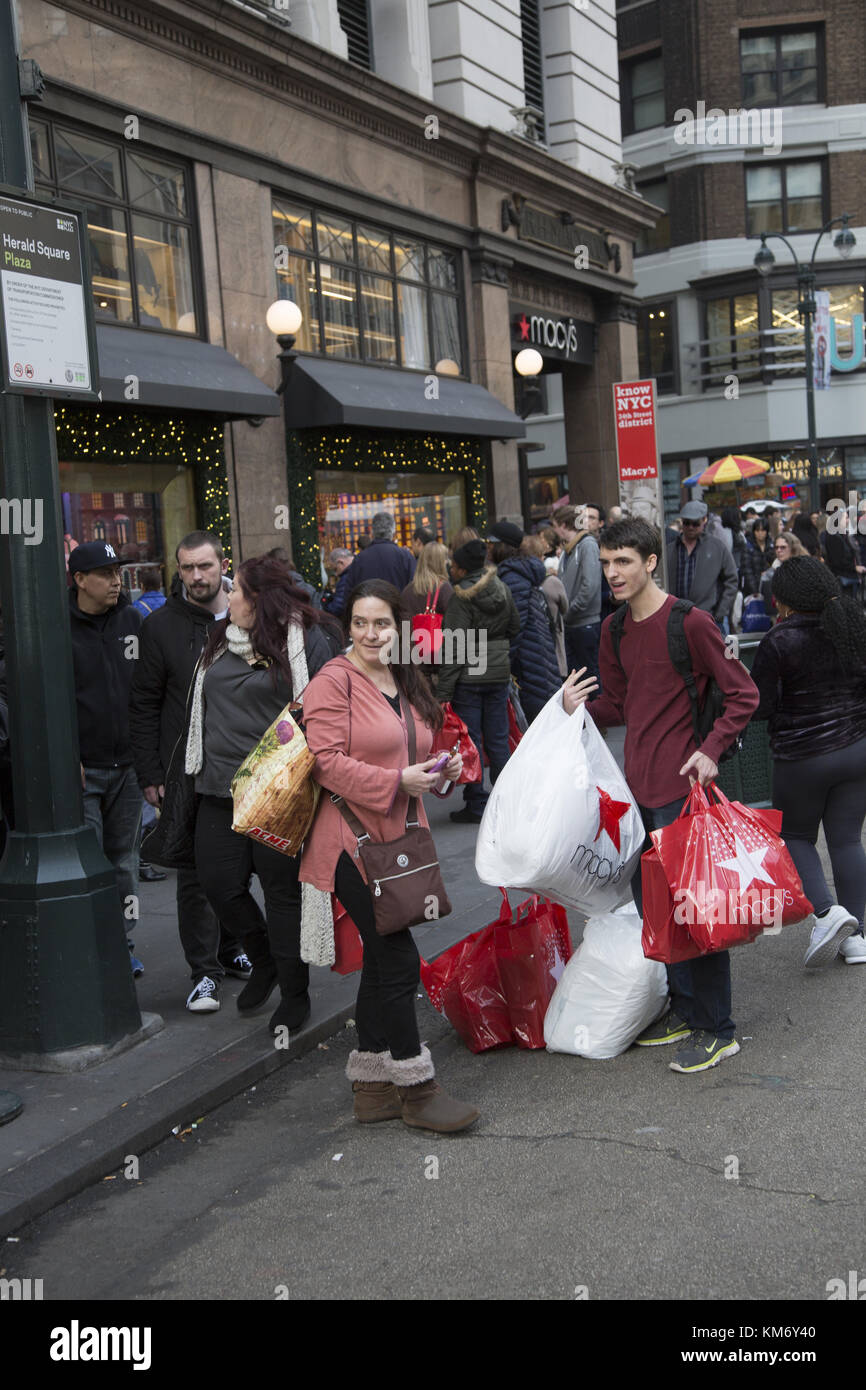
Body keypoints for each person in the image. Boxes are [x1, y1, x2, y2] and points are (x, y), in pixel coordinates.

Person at [562, 517, 759, 1073]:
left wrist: (713, 748)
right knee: (660, 911)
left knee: (699, 912)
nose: (612, 573)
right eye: (605, 563)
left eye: (623, 561)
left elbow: (744, 693)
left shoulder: (690, 623)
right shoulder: (612, 630)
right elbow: (619, 705)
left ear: (650, 562)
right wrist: (572, 710)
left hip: (685, 791)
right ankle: (684, 1008)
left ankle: (718, 1028)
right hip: (637, 792)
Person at [299, 579, 478, 1133]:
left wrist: (441, 771)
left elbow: (418, 749)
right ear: (346, 625)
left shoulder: (404, 674)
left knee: (381, 962)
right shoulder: (333, 682)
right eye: (359, 623)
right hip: (348, 843)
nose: (371, 634)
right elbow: (323, 761)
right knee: (398, 959)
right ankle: (416, 1087)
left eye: (381, 623)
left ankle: (372, 1089)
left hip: (400, 840)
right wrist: (396, 779)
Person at [185, 555, 341, 1023]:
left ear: (259, 601)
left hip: (280, 792)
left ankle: (295, 994)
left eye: (236, 591)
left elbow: (328, 707)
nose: (227, 596)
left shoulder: (305, 641)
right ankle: (265, 961)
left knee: (281, 896)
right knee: (217, 883)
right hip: (218, 789)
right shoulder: (217, 640)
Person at [131, 530, 255, 1009]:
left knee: (238, 868)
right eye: (188, 568)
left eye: (205, 566)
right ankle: (203, 971)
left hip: (245, 766)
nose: (197, 576)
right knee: (194, 872)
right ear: (177, 570)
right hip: (185, 770)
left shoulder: (246, 615)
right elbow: (142, 703)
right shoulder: (160, 626)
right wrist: (150, 773)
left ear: (222, 564)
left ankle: (233, 949)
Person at [750, 558, 866, 967]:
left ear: (783, 600)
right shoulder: (854, 626)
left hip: (802, 758)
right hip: (857, 750)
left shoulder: (778, 641)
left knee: (796, 836)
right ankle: (859, 939)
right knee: (847, 840)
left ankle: (828, 913)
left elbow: (761, 706)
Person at [68, 541, 144, 977]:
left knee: (123, 862)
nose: (116, 580)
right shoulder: (59, 627)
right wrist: (69, 755)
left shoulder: (131, 620)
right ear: (79, 580)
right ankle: (91, 949)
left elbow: (145, 690)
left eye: (118, 571)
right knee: (91, 862)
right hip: (85, 768)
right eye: (105, 573)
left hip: (129, 768)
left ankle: (122, 943)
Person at [435, 538, 519, 824]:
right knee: (497, 739)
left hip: (469, 677)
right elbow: (515, 627)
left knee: (471, 741)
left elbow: (454, 646)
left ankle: (477, 804)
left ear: (460, 569)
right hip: (497, 673)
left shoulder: (461, 597)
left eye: (453, 565)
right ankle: (508, 799)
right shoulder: (503, 588)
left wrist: (443, 691)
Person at [488, 521, 561, 720]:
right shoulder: (516, 573)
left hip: (530, 666)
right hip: (535, 661)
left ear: (502, 547)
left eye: (491, 544)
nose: (488, 549)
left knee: (540, 732)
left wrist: (499, 667)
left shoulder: (513, 577)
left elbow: (514, 628)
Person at [666, 500, 737, 629]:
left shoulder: (717, 547)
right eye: (687, 523)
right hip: (676, 619)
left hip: (708, 618)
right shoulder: (670, 549)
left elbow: (731, 580)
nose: (690, 527)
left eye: (695, 523)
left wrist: (720, 614)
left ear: (704, 520)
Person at [552, 503, 602, 686]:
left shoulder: (587, 545)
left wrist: (569, 611)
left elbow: (590, 586)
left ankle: (596, 714)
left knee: (589, 677)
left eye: (555, 526)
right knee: (577, 678)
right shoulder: (569, 549)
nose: (555, 531)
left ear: (564, 525)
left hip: (584, 623)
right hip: (572, 623)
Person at [328, 512, 414, 616]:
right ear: (393, 533)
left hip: (369, 621)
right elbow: (413, 593)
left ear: (372, 533)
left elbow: (349, 598)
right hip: (400, 620)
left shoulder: (360, 559)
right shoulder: (406, 557)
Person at [524, 533, 568, 677]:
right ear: (540, 556)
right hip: (552, 646)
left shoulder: (519, 581)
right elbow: (565, 608)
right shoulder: (553, 582)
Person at [400, 541, 453, 622]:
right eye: (445, 559)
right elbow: (452, 621)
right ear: (440, 563)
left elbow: (404, 627)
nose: (448, 562)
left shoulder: (407, 591)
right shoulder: (444, 588)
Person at [822, 507, 866, 596]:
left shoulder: (841, 535)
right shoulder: (834, 536)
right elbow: (837, 561)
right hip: (842, 578)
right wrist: (855, 567)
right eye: (845, 518)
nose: (848, 520)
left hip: (848, 576)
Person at [741, 516, 773, 594]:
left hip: (769, 586)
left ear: (767, 531)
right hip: (753, 588)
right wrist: (754, 589)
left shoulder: (771, 545)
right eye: (757, 530)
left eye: (762, 530)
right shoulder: (748, 547)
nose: (760, 533)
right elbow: (747, 570)